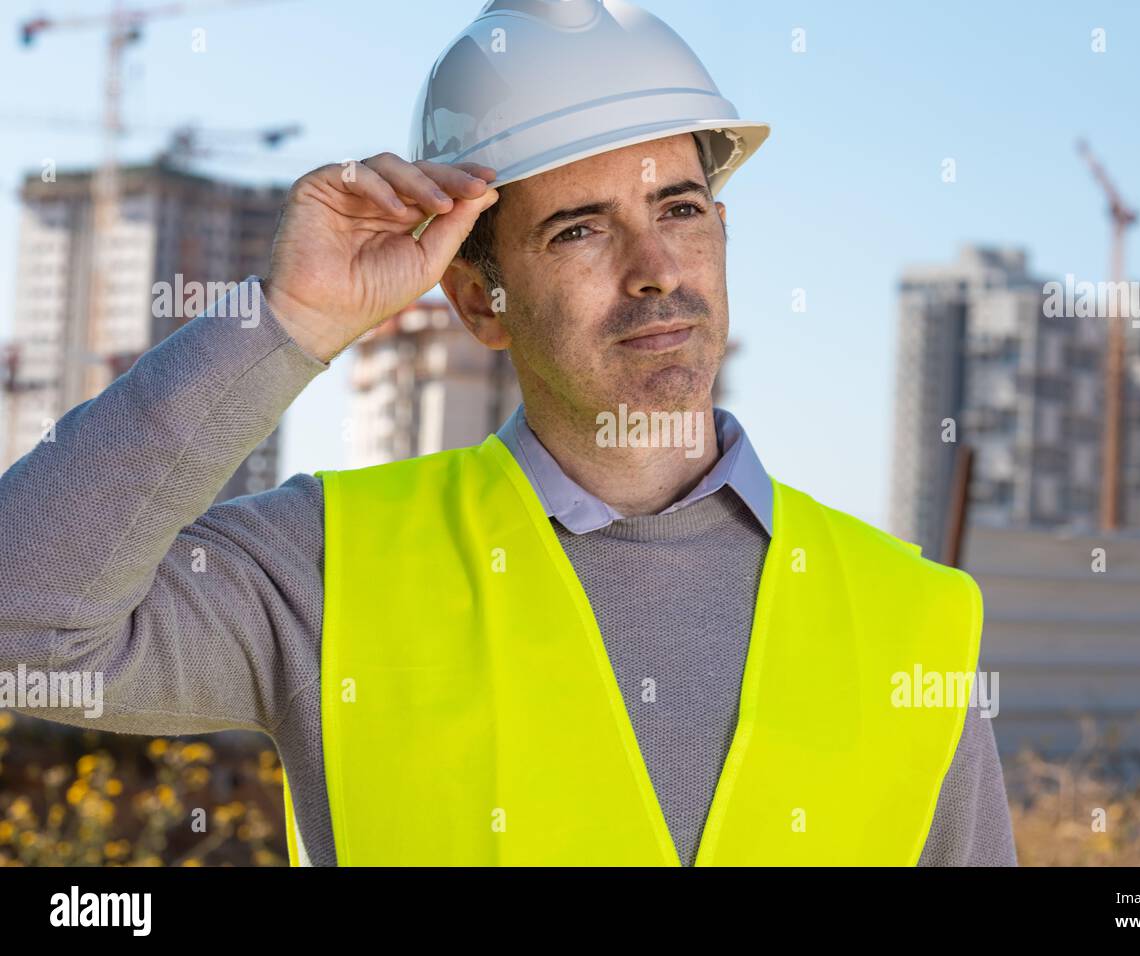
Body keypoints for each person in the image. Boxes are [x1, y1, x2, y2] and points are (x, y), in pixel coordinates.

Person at [0, 0, 1016, 867]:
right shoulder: (328, 568)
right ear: (479, 303)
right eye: (578, 227)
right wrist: (291, 318)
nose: (656, 265)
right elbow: (21, 623)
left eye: (681, 207)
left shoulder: (915, 623)